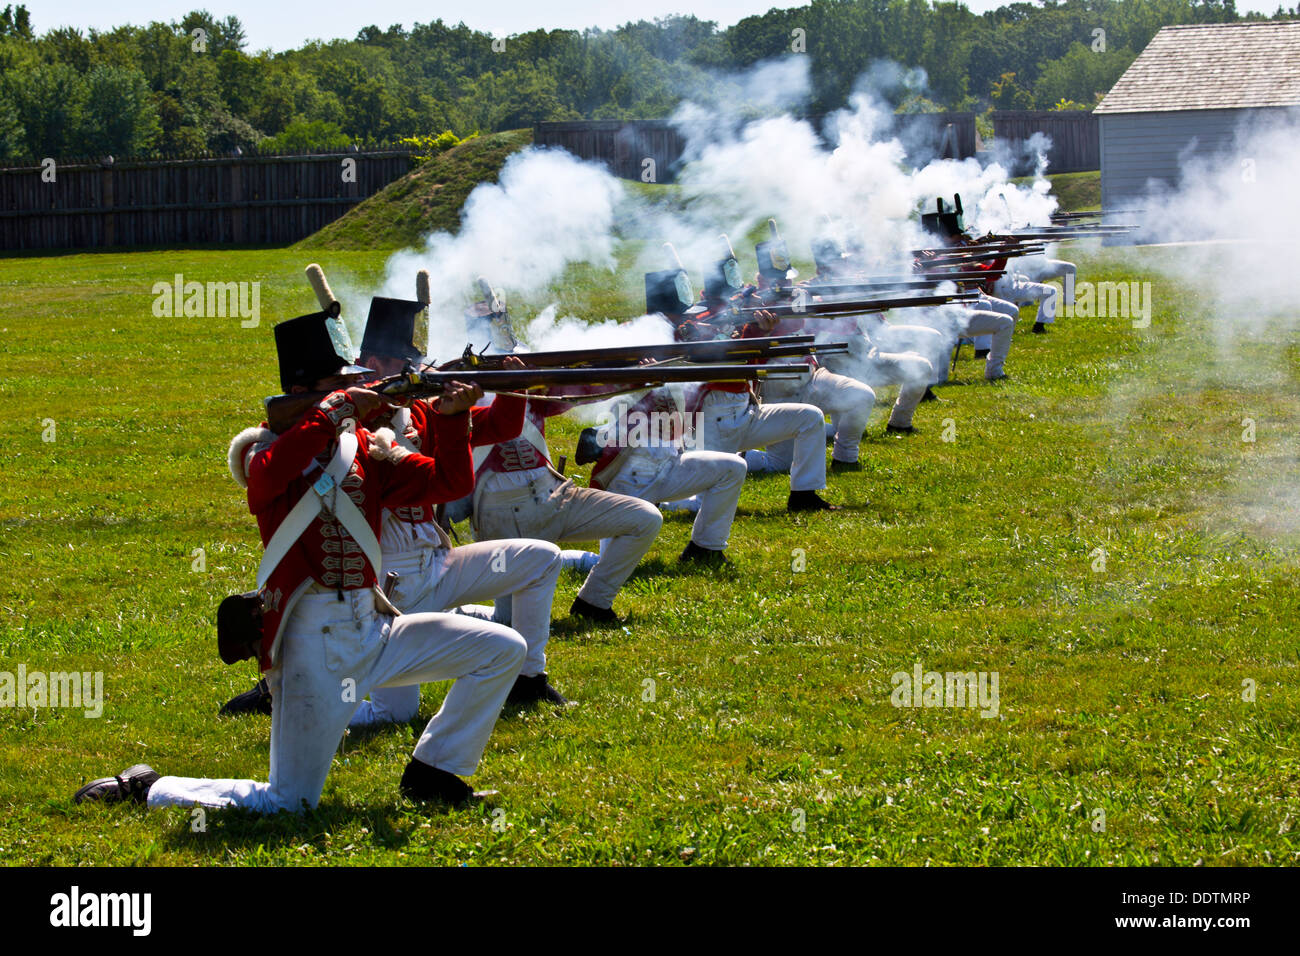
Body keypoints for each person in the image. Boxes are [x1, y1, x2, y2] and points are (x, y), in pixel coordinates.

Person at [76, 311, 529, 811]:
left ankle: (434, 774)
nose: (355, 390)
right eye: (339, 383)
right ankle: (152, 788)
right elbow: (269, 479)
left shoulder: (363, 449)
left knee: (502, 649)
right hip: (311, 645)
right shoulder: (265, 452)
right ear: (302, 390)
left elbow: (450, 485)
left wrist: (451, 417)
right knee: (288, 802)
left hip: (371, 627)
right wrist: (333, 410)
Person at [648, 266, 836, 511]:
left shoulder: (719, 318)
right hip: (711, 424)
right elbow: (714, 355)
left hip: (745, 411)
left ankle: (804, 496)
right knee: (703, 504)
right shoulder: (677, 330)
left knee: (810, 417)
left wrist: (760, 330)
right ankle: (656, 501)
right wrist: (753, 330)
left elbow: (750, 364)